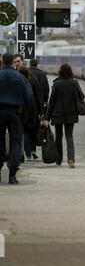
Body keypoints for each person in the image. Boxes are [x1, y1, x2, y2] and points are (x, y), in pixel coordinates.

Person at [44, 63, 84, 168]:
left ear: (60, 72)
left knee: (58, 136)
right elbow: (82, 96)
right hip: (71, 114)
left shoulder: (57, 84)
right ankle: (71, 159)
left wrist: (46, 118)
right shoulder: (74, 83)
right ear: (70, 71)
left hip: (58, 115)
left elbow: (51, 102)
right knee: (69, 136)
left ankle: (59, 159)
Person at [0, 53, 32, 184]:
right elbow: (28, 96)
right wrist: (30, 115)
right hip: (15, 113)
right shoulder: (20, 77)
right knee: (16, 142)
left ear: (2, 62)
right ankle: (12, 174)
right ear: (13, 62)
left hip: (0, 112)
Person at [18, 66, 40, 161]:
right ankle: (29, 153)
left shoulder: (18, 81)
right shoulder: (29, 82)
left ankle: (22, 154)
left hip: (18, 110)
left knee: (20, 133)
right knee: (28, 132)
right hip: (27, 111)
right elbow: (32, 98)